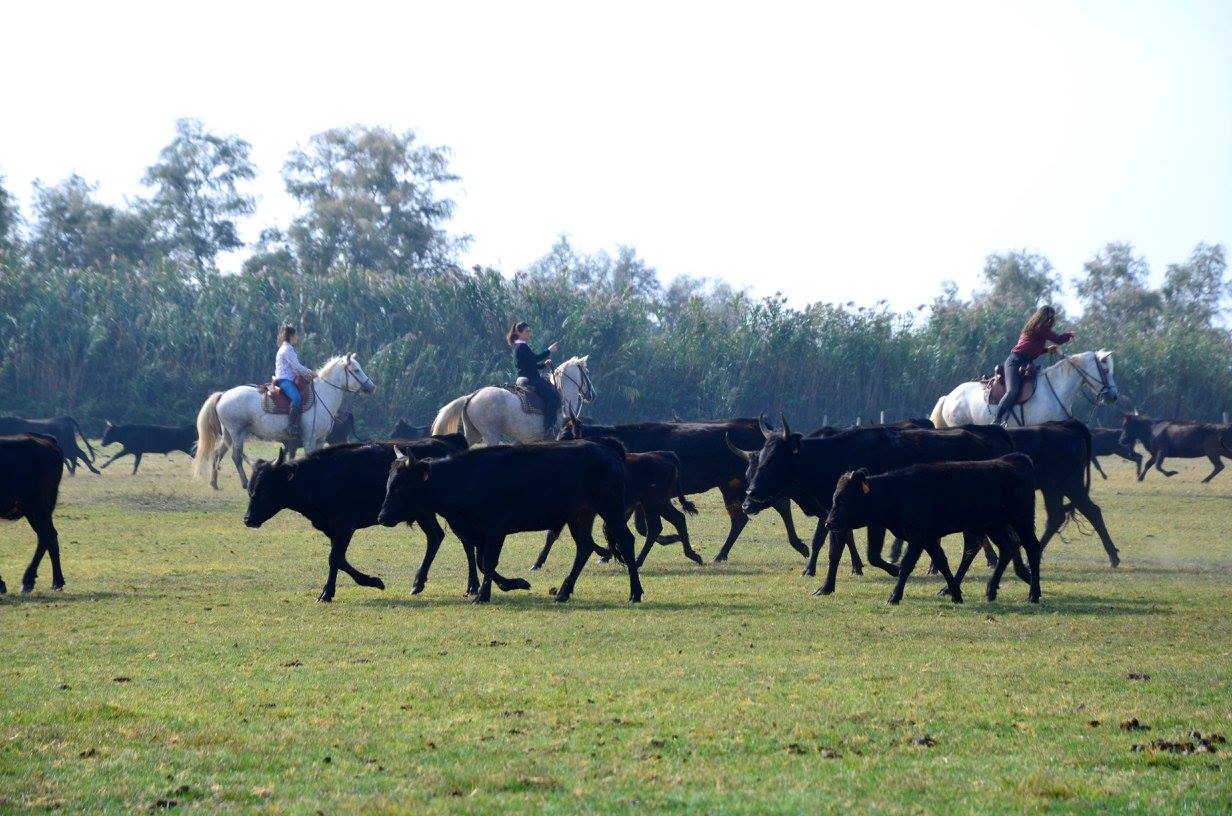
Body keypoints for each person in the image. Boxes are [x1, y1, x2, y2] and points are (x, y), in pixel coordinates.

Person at [994, 305, 1074, 425]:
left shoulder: (1037, 330)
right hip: (1015, 362)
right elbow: (1057, 339)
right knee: (1013, 390)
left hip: (1026, 363)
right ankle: (996, 420)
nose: (1050, 320)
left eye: (1052, 317)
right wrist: (1069, 335)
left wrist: (1046, 350)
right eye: (1049, 317)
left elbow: (1032, 349)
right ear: (1043, 316)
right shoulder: (1039, 328)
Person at [508, 321, 560, 434]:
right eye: (527, 331)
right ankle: (549, 426)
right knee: (554, 397)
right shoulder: (522, 346)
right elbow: (535, 358)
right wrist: (548, 351)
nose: (530, 334)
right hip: (531, 379)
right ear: (519, 333)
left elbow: (530, 364)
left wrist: (544, 365)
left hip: (524, 376)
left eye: (529, 331)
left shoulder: (518, 346)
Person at [274, 324, 316, 437]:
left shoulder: (287, 348)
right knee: (297, 398)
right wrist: (310, 372)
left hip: (289, 378)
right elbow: (297, 367)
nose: (298, 337)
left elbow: (296, 368)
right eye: (296, 335)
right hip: (284, 380)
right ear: (291, 336)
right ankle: (291, 426)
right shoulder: (287, 349)